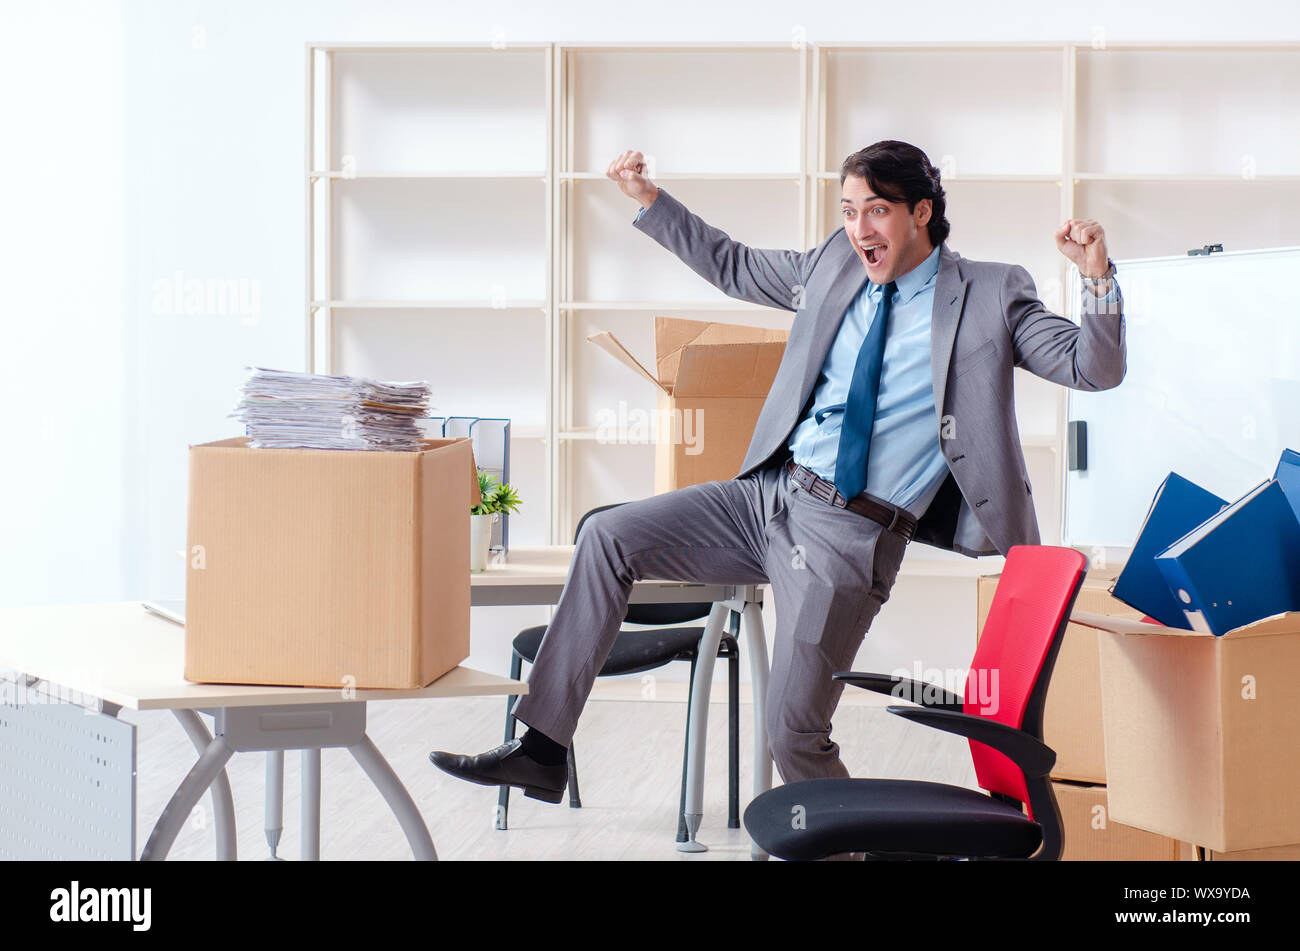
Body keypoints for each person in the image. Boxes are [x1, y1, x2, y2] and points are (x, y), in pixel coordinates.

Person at [430, 139, 1125, 806]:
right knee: (609, 537)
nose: (859, 228)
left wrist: (1094, 278)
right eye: (848, 211)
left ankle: (848, 841)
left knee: (792, 732)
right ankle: (545, 748)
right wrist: (649, 200)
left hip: (848, 535)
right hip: (769, 494)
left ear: (921, 211)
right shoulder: (835, 262)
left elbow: (1094, 367)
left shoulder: (990, 293)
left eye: (876, 209)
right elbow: (734, 264)